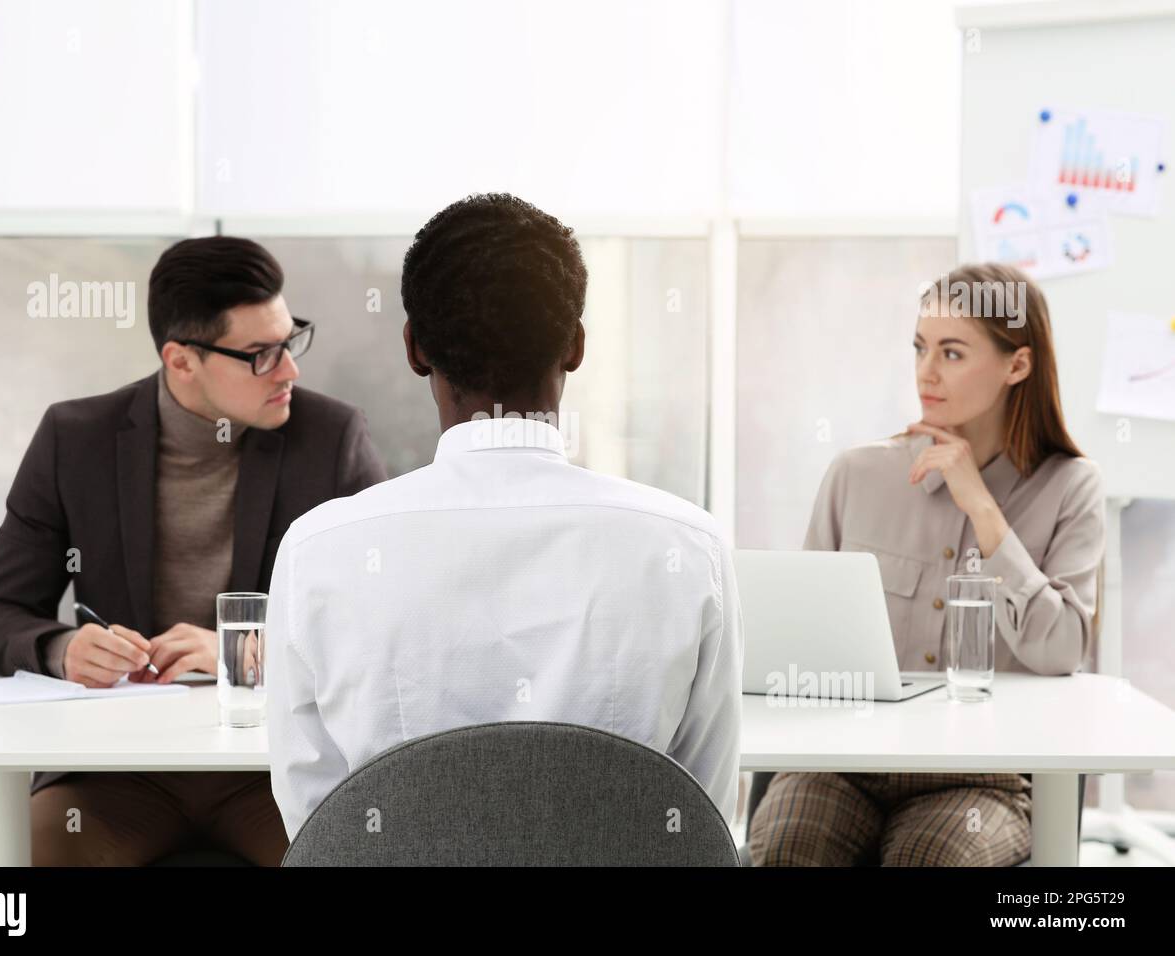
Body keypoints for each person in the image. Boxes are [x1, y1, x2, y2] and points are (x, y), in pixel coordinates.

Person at [266, 193, 743, 841]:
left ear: (415, 349)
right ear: (575, 347)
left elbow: (320, 822)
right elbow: (700, 813)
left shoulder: (319, 548)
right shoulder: (688, 546)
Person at [0, 236, 387, 865]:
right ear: (181, 360)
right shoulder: (74, 440)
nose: (289, 369)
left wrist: (239, 651)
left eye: (289, 338)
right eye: (260, 354)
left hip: (272, 769)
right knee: (44, 853)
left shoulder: (330, 439)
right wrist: (62, 649)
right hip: (112, 776)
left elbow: (382, 620)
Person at [747, 262, 1104, 867]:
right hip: (842, 768)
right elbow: (796, 647)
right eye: (919, 348)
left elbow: (1061, 650)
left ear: (1016, 365)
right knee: (786, 851)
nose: (926, 372)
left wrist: (982, 506)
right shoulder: (857, 475)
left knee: (927, 861)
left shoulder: (1071, 488)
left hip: (983, 781)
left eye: (952, 353)